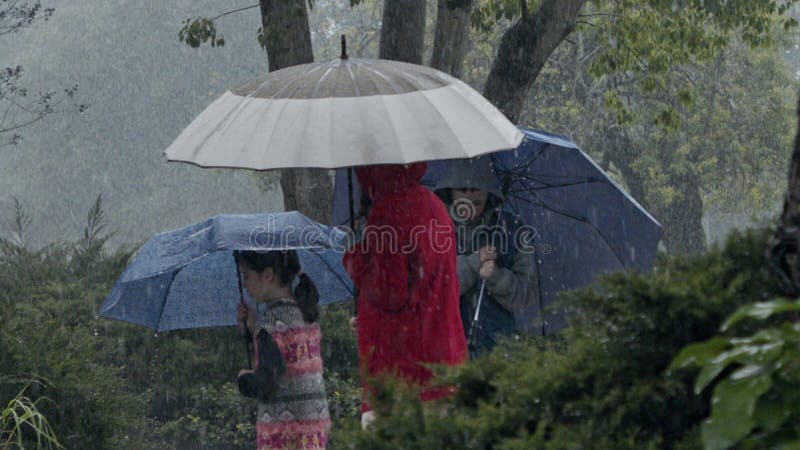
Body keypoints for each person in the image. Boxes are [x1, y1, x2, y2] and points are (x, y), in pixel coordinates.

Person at [343, 163, 467, 428]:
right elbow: (424, 289)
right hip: (442, 367)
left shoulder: (386, 212)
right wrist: (368, 317)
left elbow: (389, 293)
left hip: (399, 376)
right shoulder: (435, 206)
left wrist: (356, 260)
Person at [435, 156, 540, 357]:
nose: (469, 198)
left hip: (500, 354)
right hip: (446, 350)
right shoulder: (436, 228)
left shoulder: (513, 230)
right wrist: (475, 262)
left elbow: (526, 294)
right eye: (462, 191)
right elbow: (435, 289)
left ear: (488, 192)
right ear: (450, 191)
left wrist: (496, 277)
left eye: (476, 194)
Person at [235, 249, 330, 450]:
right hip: (313, 433)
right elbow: (289, 362)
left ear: (268, 275)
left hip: (284, 436)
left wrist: (244, 379)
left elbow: (268, 380)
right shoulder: (305, 313)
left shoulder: (268, 322)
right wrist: (253, 332)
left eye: (247, 276)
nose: (244, 284)